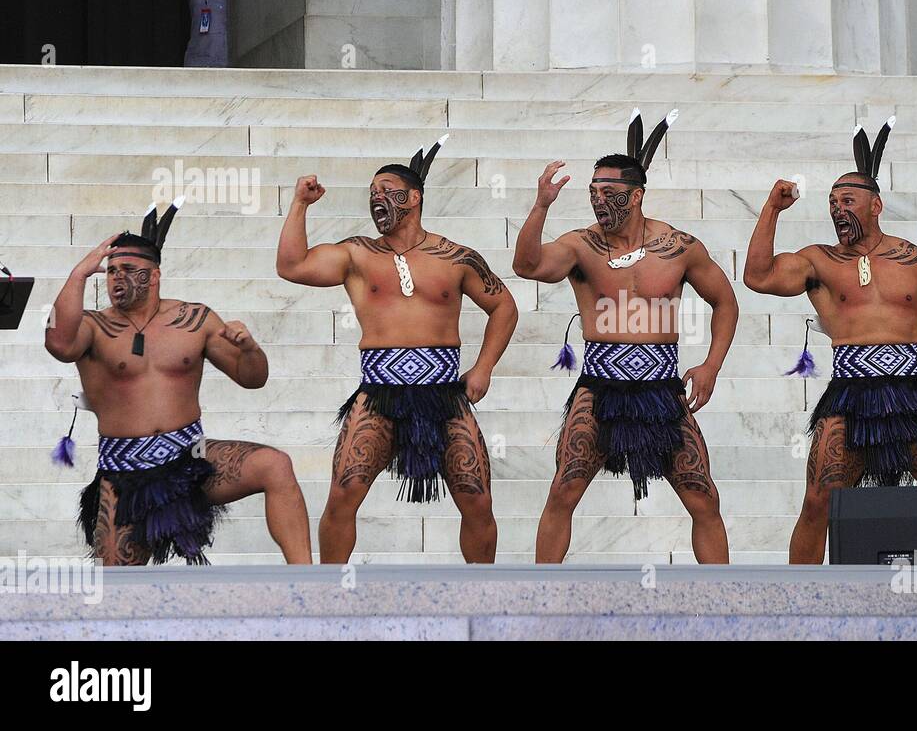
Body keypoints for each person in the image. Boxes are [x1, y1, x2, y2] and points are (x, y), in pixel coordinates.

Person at [742, 119, 917, 565]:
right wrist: (772, 210)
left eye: (848, 200)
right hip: (849, 396)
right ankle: (799, 609)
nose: (837, 209)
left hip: (912, 395)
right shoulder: (818, 261)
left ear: (876, 205)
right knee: (818, 503)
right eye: (832, 202)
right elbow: (757, 277)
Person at [277, 138, 517, 563]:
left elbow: (504, 306)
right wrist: (300, 204)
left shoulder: (456, 256)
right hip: (379, 393)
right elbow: (291, 266)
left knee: (477, 500)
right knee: (342, 496)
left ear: (415, 197)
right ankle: (330, 591)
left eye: (387, 191)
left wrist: (483, 369)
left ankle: (484, 593)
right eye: (372, 194)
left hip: (444, 394)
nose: (378, 199)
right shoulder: (357, 254)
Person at [513, 109, 737, 564]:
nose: (597, 201)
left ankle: (725, 605)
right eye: (593, 192)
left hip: (660, 388)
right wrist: (541, 205)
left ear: (636, 197)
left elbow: (726, 302)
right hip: (600, 389)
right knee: (563, 490)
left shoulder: (678, 246)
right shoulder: (581, 245)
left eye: (609, 192)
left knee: (703, 498)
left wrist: (711, 365)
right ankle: (542, 600)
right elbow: (527, 266)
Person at [45, 198, 311, 565]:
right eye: (110, 271)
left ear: (154, 275)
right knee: (118, 591)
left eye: (127, 269)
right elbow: (58, 343)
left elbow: (254, 379)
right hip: (126, 472)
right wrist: (78, 274)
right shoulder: (94, 326)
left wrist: (249, 349)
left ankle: (309, 583)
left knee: (275, 465)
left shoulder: (194, 319)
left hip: (190, 457)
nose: (116, 278)